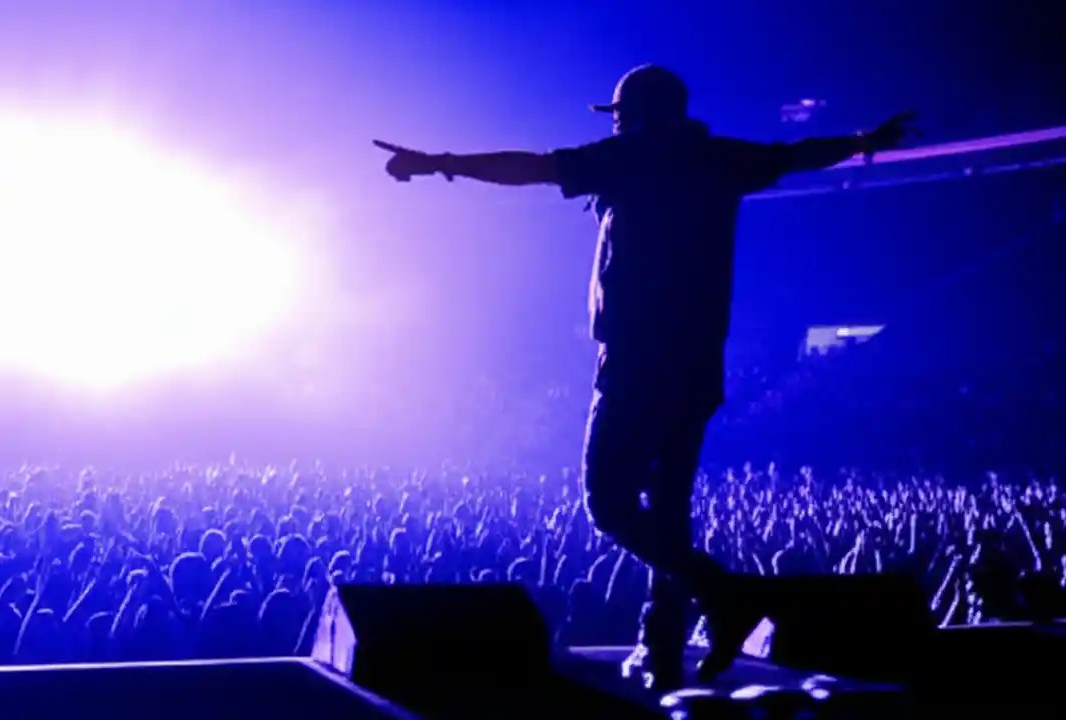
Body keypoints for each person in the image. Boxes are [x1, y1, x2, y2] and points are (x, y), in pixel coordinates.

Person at [373, 63, 916, 692]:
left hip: (635, 359)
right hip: (698, 361)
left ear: (634, 113)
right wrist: (862, 141)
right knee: (666, 511)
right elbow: (795, 155)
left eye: (621, 113)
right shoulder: (719, 158)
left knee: (607, 503)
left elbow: (530, 168)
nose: (619, 122)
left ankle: (725, 595)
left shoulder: (630, 158)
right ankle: (661, 648)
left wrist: (439, 161)